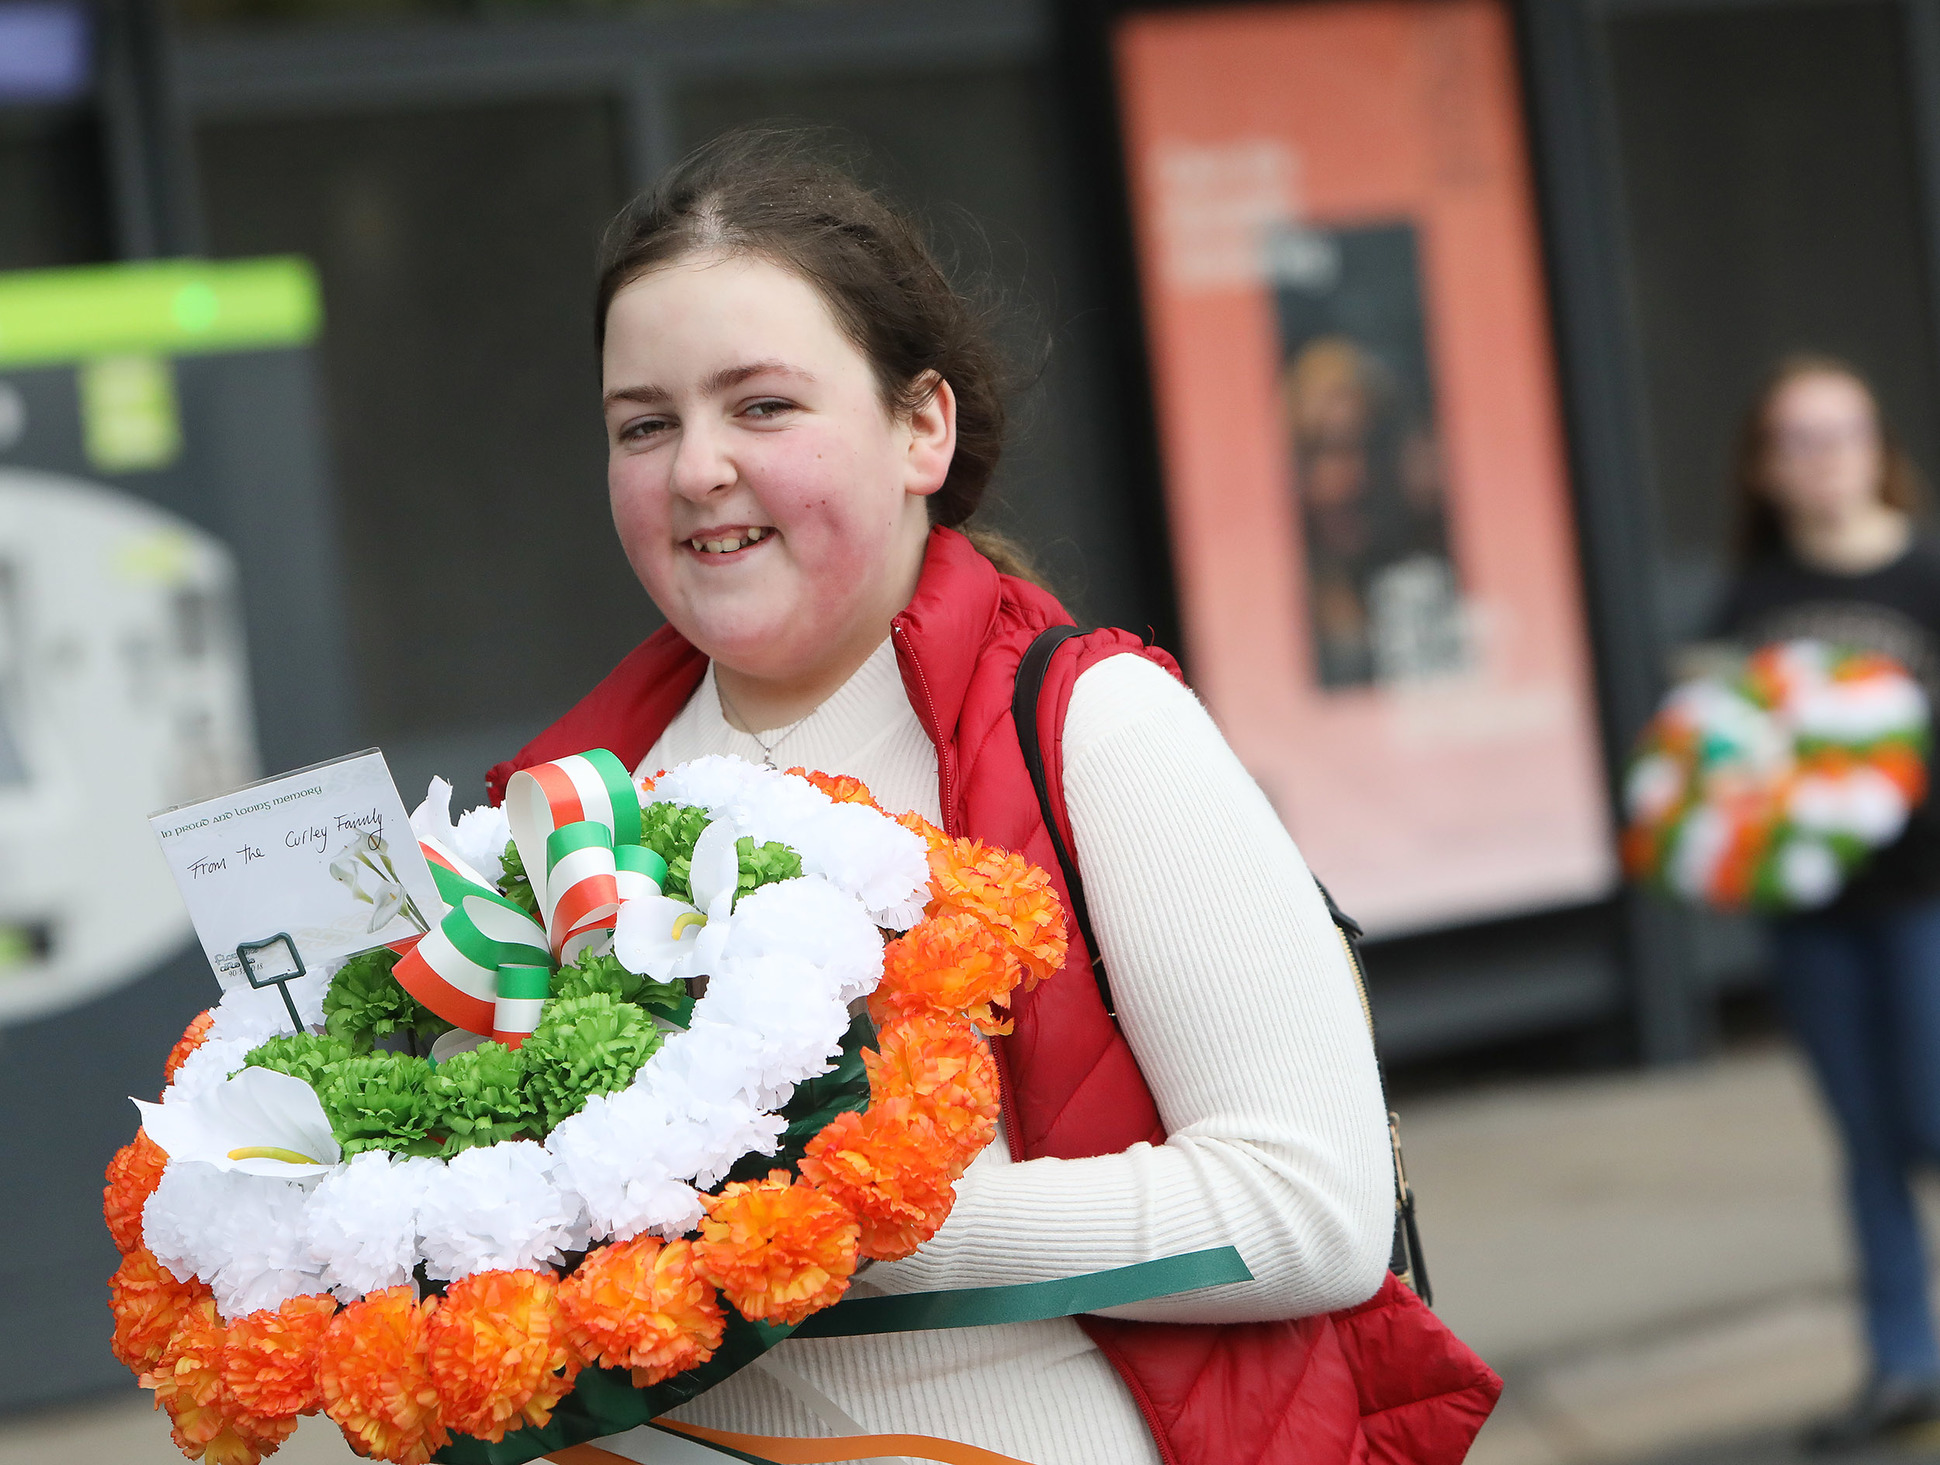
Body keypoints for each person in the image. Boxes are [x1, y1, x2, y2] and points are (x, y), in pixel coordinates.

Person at [489, 127, 1498, 1464]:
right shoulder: (562, 804)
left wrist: (819, 1235)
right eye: (645, 425)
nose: (696, 469)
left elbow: (1311, 1208)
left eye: (764, 406)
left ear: (922, 426)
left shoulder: (1097, 730)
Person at [1715, 354, 1940, 1450]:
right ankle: (1902, 1363)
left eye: (1840, 434)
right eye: (1796, 440)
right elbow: (1710, 759)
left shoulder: (1925, 581)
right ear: (1764, 467)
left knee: (1928, 1121)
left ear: (1876, 448)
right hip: (1806, 922)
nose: (1821, 460)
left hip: (1923, 906)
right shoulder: (1749, 599)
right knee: (1861, 1142)